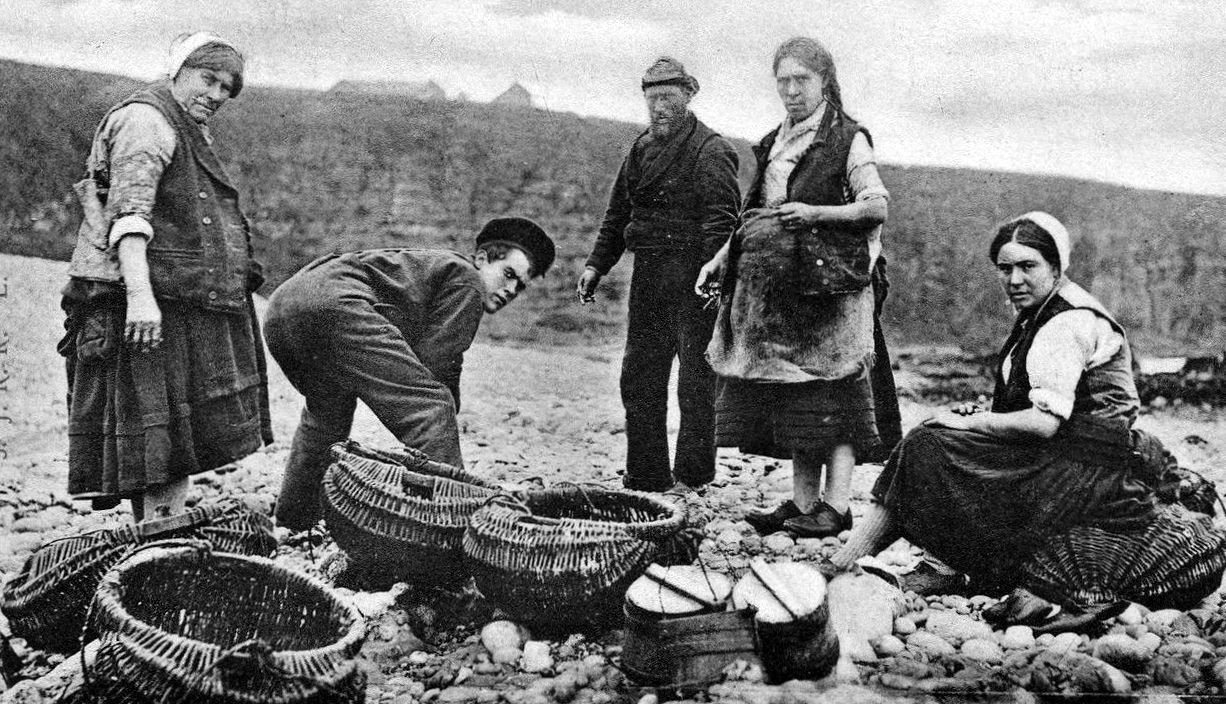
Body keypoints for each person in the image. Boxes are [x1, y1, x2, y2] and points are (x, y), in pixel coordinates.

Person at [829, 212, 1226, 629]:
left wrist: (974, 424)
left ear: (1056, 267)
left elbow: (1043, 424)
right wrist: (978, 420)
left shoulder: (1065, 322)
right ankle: (920, 563)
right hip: (1073, 455)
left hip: (1087, 469)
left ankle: (859, 562)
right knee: (939, 441)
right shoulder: (1045, 311)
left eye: (1027, 266)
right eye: (1005, 269)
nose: (1014, 279)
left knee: (925, 445)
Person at [695, 37, 902, 537]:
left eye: (801, 80)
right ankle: (803, 504)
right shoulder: (776, 140)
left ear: (824, 80)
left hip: (837, 291)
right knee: (800, 394)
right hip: (790, 293)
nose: (791, 90)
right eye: (783, 81)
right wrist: (720, 260)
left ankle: (837, 507)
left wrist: (814, 213)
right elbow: (755, 213)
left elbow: (876, 206)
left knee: (839, 394)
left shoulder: (848, 138)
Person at [59, 32, 271, 521]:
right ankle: (161, 539)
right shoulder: (147, 122)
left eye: (226, 88)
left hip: (168, 296)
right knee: (158, 435)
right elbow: (129, 218)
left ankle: (158, 535)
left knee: (164, 437)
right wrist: (141, 298)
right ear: (177, 71)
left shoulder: (177, 123)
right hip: (140, 299)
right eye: (208, 79)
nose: (216, 95)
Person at [265, 218, 555, 531]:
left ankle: (294, 519)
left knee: (327, 414)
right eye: (509, 274)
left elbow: (436, 359)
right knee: (431, 409)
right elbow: (436, 362)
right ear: (482, 259)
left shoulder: (433, 267)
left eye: (520, 286)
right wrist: (445, 411)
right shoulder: (467, 279)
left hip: (283, 308)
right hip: (335, 304)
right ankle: (454, 523)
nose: (510, 290)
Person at [577, 57, 741, 494]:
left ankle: (694, 476)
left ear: (688, 96)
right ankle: (646, 474)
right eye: (652, 99)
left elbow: (723, 225)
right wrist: (596, 266)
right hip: (649, 276)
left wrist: (715, 279)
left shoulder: (712, 150)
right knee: (640, 375)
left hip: (697, 279)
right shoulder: (641, 149)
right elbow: (618, 214)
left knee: (695, 381)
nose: (659, 107)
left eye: (668, 97)